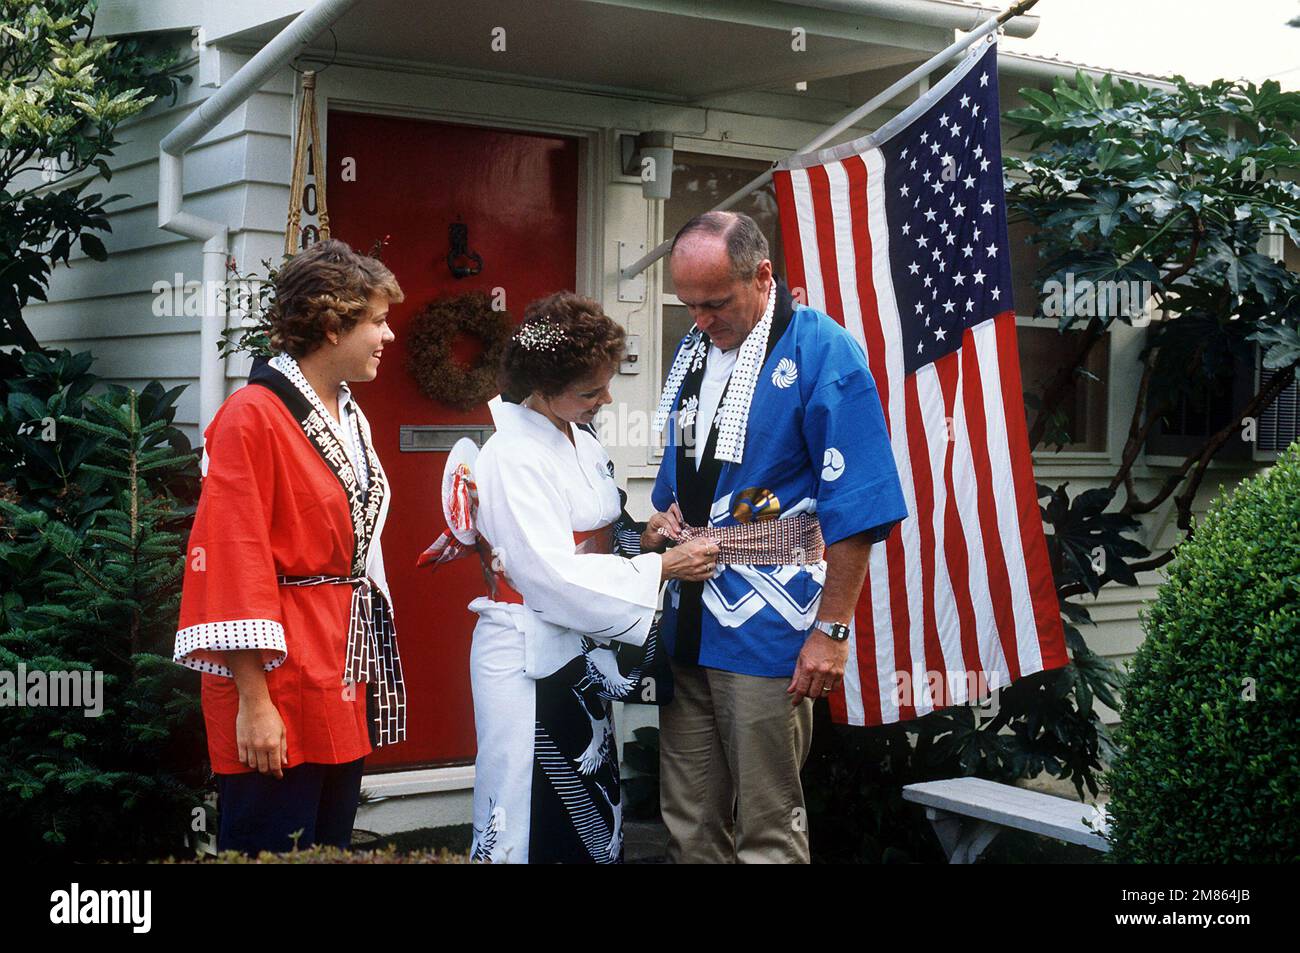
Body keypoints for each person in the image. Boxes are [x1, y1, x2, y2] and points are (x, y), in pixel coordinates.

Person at [648, 211, 908, 863]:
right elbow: (677, 476)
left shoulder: (822, 350)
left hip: (768, 622)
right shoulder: (695, 351)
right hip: (687, 618)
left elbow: (859, 503)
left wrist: (833, 629)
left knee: (769, 826)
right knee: (688, 821)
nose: (700, 319)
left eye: (715, 302)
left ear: (763, 275)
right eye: (689, 306)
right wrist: (661, 519)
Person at [451, 292, 717, 864]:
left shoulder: (580, 438)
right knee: (531, 811)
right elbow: (550, 576)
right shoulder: (513, 455)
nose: (606, 399)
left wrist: (639, 541)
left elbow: (598, 528)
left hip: (575, 648)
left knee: (590, 804)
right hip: (529, 646)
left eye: (606, 385)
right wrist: (661, 568)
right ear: (542, 388)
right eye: (590, 391)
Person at [172, 239, 407, 854]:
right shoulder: (252, 416)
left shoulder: (348, 414)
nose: (388, 336)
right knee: (273, 842)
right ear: (332, 327)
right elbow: (231, 557)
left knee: (326, 842)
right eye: (377, 322)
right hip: (273, 670)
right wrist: (254, 703)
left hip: (339, 660)